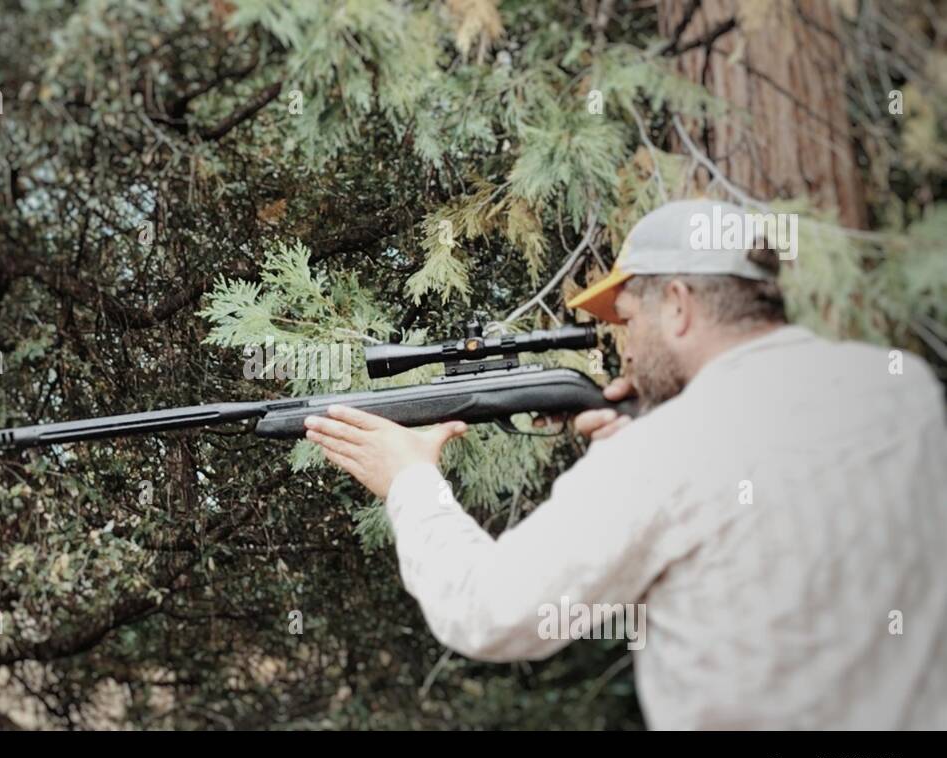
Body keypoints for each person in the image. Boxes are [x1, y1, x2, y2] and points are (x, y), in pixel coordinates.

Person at [303, 199, 947, 729]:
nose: (623, 346)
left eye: (628, 318)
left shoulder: (662, 452)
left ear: (677, 305)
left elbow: (488, 611)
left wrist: (409, 481)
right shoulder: (904, 391)